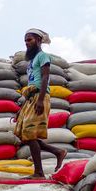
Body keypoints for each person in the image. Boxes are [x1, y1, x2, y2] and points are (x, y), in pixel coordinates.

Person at [14, 28, 67, 178]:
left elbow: (45, 78)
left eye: (29, 40)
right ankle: (58, 152)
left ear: (38, 40)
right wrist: (23, 107)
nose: (26, 43)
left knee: (30, 135)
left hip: (40, 97)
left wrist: (41, 100)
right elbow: (33, 82)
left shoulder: (43, 56)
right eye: (25, 40)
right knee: (26, 135)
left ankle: (39, 172)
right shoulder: (32, 60)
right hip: (31, 98)